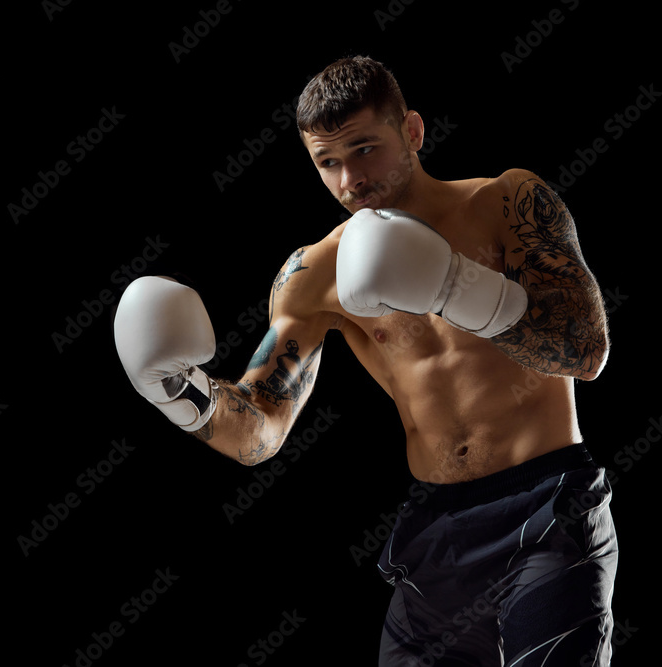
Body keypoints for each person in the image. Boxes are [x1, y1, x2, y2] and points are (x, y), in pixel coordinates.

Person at [114, 56, 618, 666]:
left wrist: (457, 287)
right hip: (439, 526)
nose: (350, 179)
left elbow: (586, 350)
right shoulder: (313, 275)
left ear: (412, 131)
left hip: (548, 502)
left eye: (364, 150)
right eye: (328, 162)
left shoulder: (505, 201)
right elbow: (261, 429)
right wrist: (178, 393)